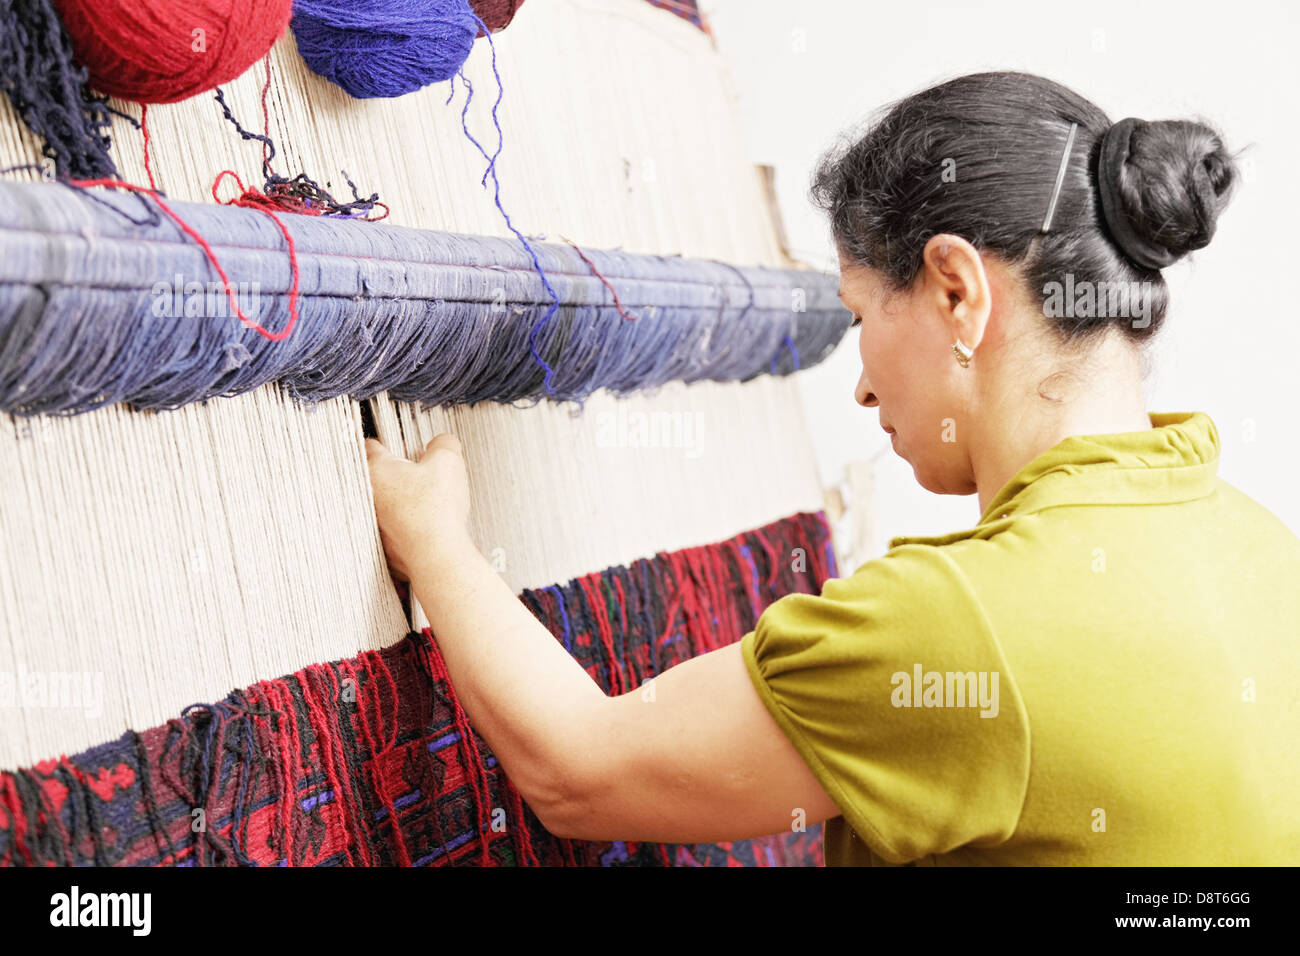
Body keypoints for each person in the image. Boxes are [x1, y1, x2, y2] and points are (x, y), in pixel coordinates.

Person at [365, 71, 1300, 866]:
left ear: (956, 290)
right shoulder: (1264, 549)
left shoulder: (958, 626)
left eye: (859, 317)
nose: (859, 386)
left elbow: (579, 773)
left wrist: (437, 544)